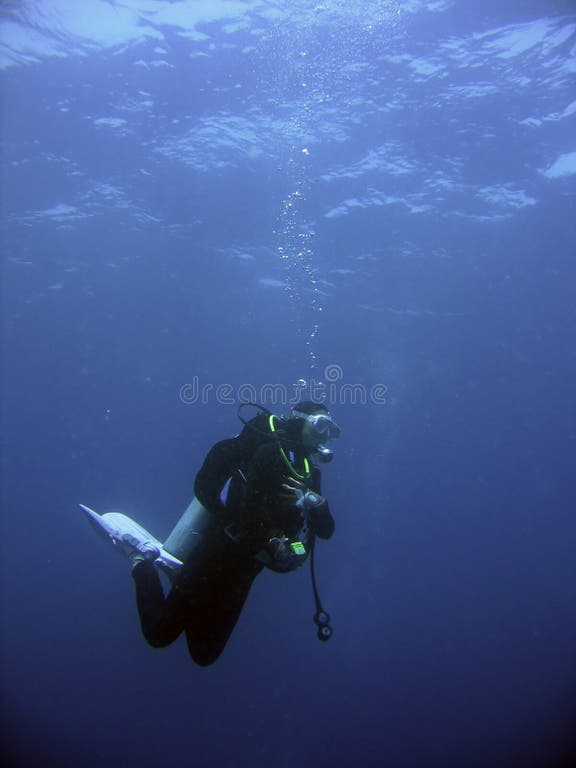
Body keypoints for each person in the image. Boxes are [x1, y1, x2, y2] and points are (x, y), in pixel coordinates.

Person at [111, 401, 340, 666]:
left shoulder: (311, 475)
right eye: (320, 425)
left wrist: (318, 507)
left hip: (247, 570)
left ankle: (181, 581)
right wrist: (270, 539)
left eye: (330, 430)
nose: (323, 436)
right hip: (218, 554)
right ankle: (142, 561)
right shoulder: (267, 452)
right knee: (159, 634)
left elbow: (326, 532)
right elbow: (240, 504)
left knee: (204, 654)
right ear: (300, 421)